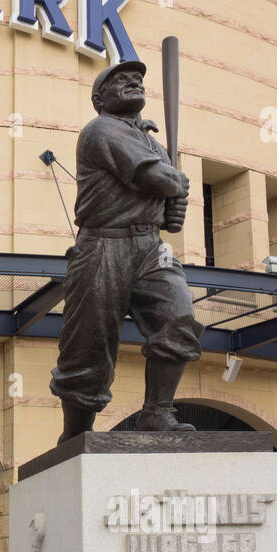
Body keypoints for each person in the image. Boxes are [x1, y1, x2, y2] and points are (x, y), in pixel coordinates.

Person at [50, 59, 203, 442]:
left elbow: (166, 197)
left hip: (151, 247)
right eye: (120, 81)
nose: (134, 81)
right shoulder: (101, 129)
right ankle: (75, 435)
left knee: (178, 318)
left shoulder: (151, 140)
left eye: (137, 80)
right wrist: (175, 185)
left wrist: (172, 204)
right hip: (104, 245)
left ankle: (157, 413)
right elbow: (156, 178)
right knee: (88, 349)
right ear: (99, 98)